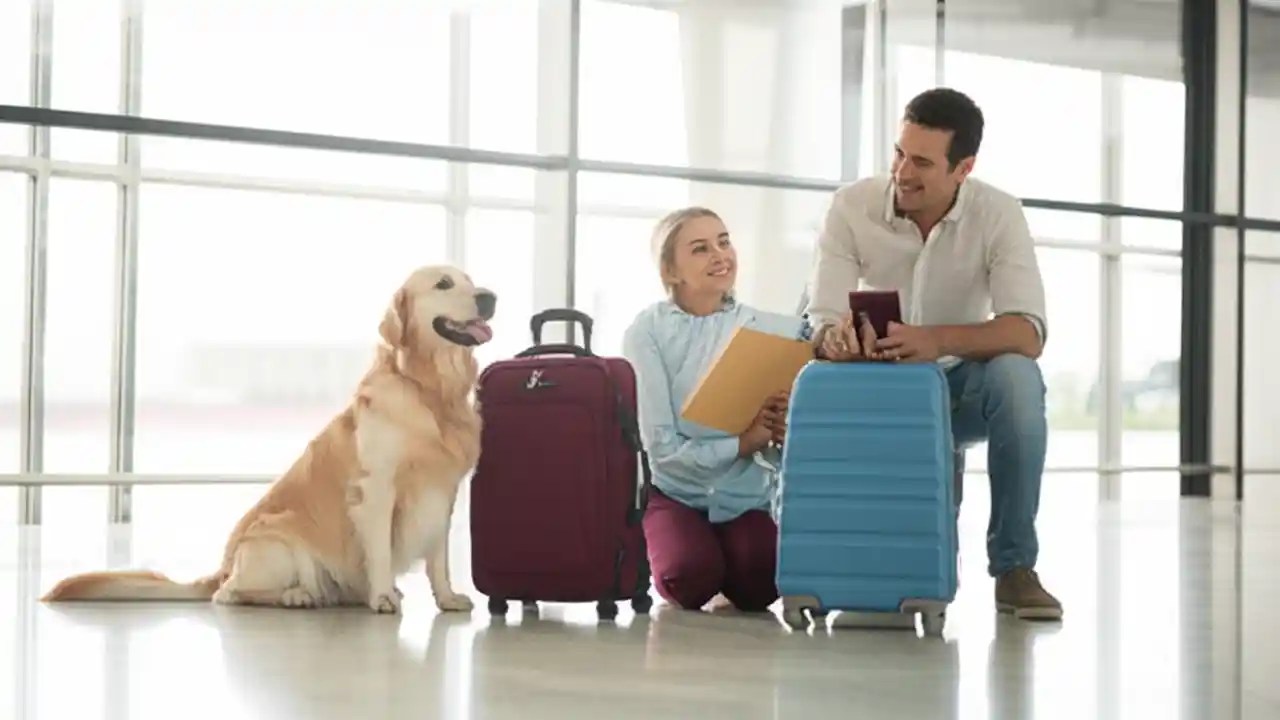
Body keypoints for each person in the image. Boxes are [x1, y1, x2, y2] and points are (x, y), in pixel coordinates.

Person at [805, 87, 1062, 621]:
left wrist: (935, 340)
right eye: (899, 153)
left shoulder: (999, 214)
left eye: (922, 162)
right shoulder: (851, 206)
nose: (902, 171)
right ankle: (899, 568)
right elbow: (821, 315)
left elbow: (1027, 333)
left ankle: (1014, 569)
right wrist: (835, 338)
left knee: (1018, 378)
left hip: (960, 385)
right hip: (882, 387)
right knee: (923, 555)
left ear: (963, 168)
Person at [622, 207, 806, 612]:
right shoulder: (646, 333)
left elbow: (782, 440)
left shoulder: (764, 328)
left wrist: (777, 429)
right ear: (671, 272)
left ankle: (724, 554)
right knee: (688, 579)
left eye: (724, 241)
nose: (720, 255)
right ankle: (683, 544)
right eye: (701, 249)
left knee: (761, 586)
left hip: (742, 494)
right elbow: (662, 451)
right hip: (677, 491)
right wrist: (743, 442)